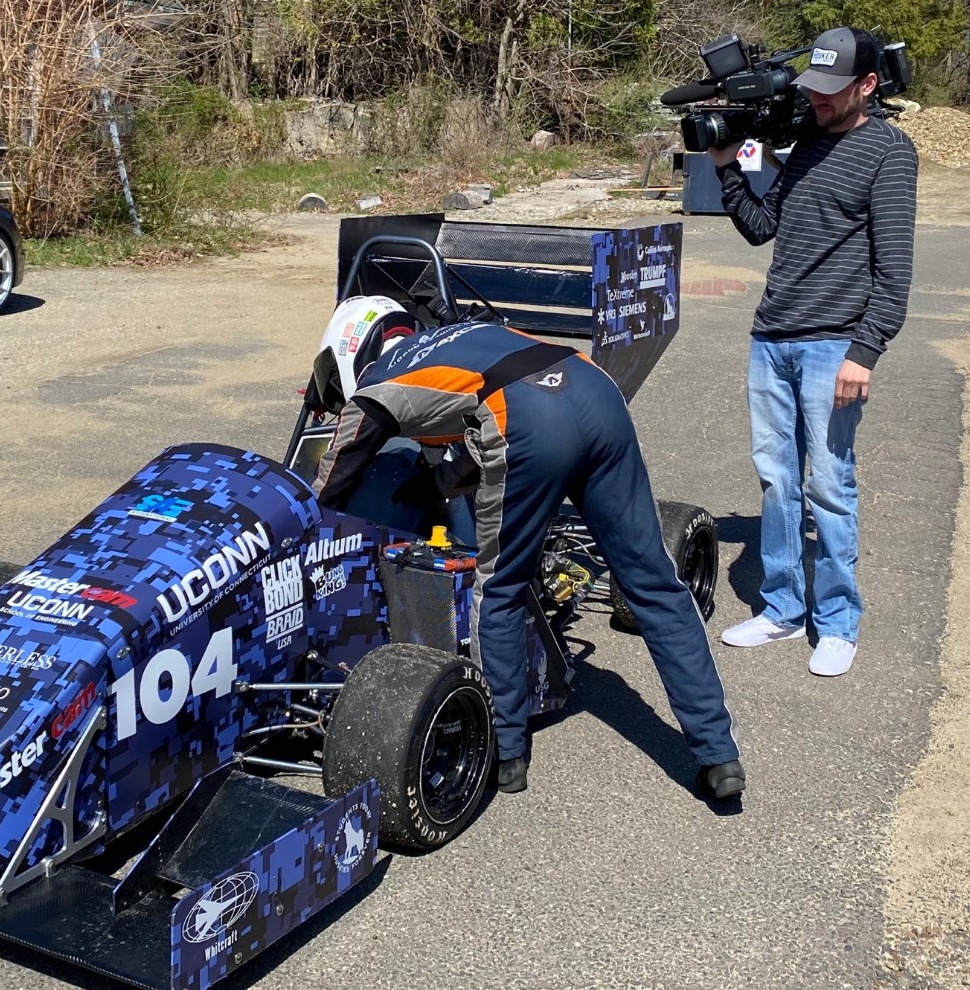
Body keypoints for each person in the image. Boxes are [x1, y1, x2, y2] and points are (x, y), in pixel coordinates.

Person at [309, 318, 746, 800]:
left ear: (351, 360)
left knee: (499, 591)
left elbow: (337, 470)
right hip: (594, 387)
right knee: (654, 583)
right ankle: (719, 757)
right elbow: (479, 428)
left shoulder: (375, 386)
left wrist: (302, 523)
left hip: (527, 418)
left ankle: (508, 756)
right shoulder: (450, 339)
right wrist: (440, 482)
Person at [706, 26, 918, 677]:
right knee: (777, 482)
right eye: (813, 90)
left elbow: (894, 271)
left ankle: (836, 624)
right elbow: (761, 226)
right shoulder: (803, 148)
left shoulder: (889, 152)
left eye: (832, 91)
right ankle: (781, 609)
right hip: (772, 339)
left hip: (834, 347)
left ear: (867, 84)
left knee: (829, 487)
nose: (818, 101)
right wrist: (726, 167)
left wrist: (866, 351)